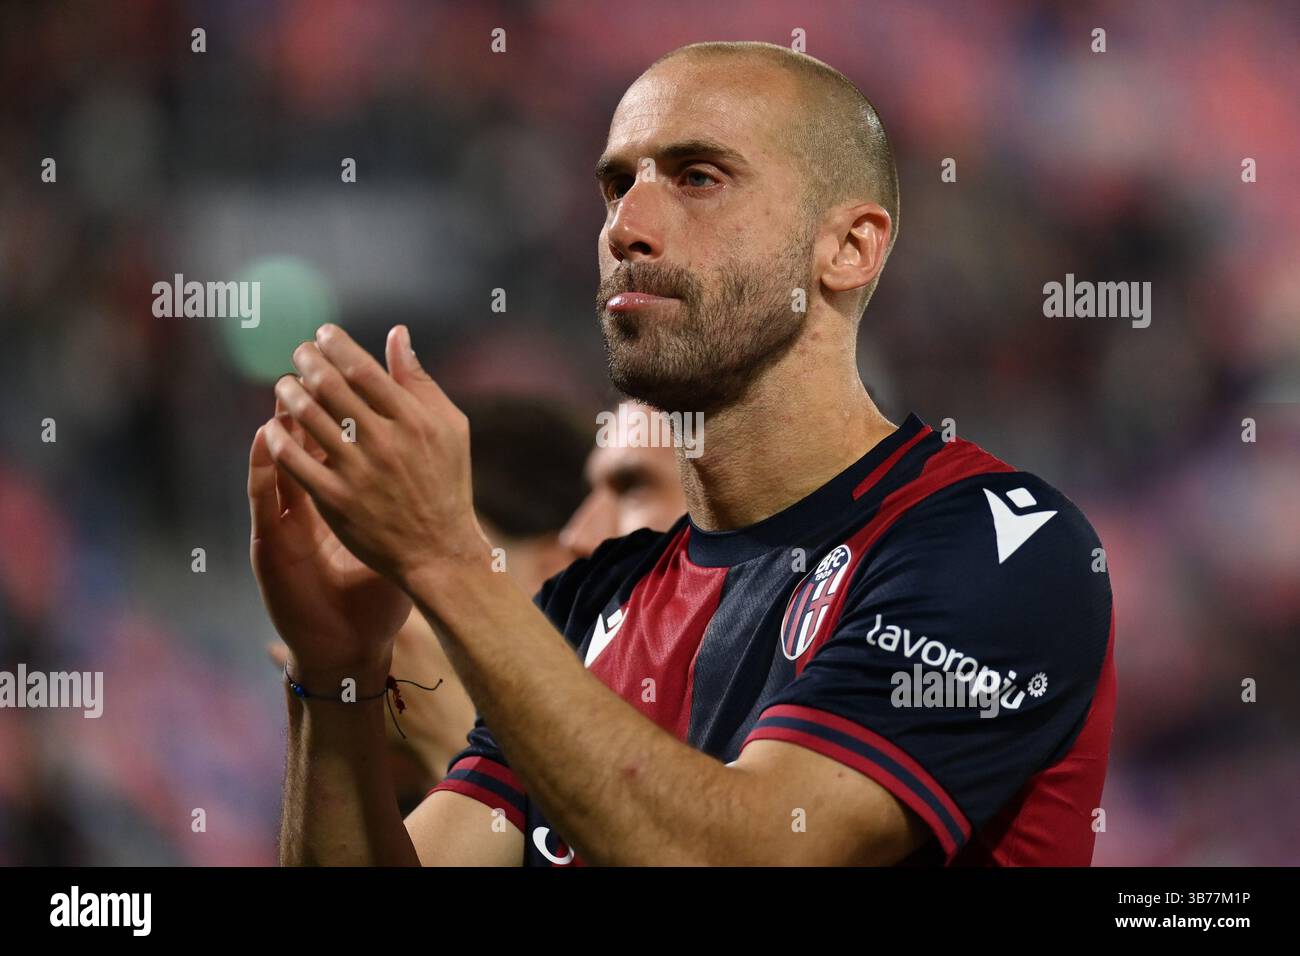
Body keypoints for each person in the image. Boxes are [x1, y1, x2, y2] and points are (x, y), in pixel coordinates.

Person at [249, 41, 1115, 866]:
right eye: (617, 184)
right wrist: (337, 673)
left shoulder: (998, 547)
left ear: (849, 249)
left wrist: (444, 556)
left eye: (699, 177)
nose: (626, 226)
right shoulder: (596, 601)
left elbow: (745, 854)